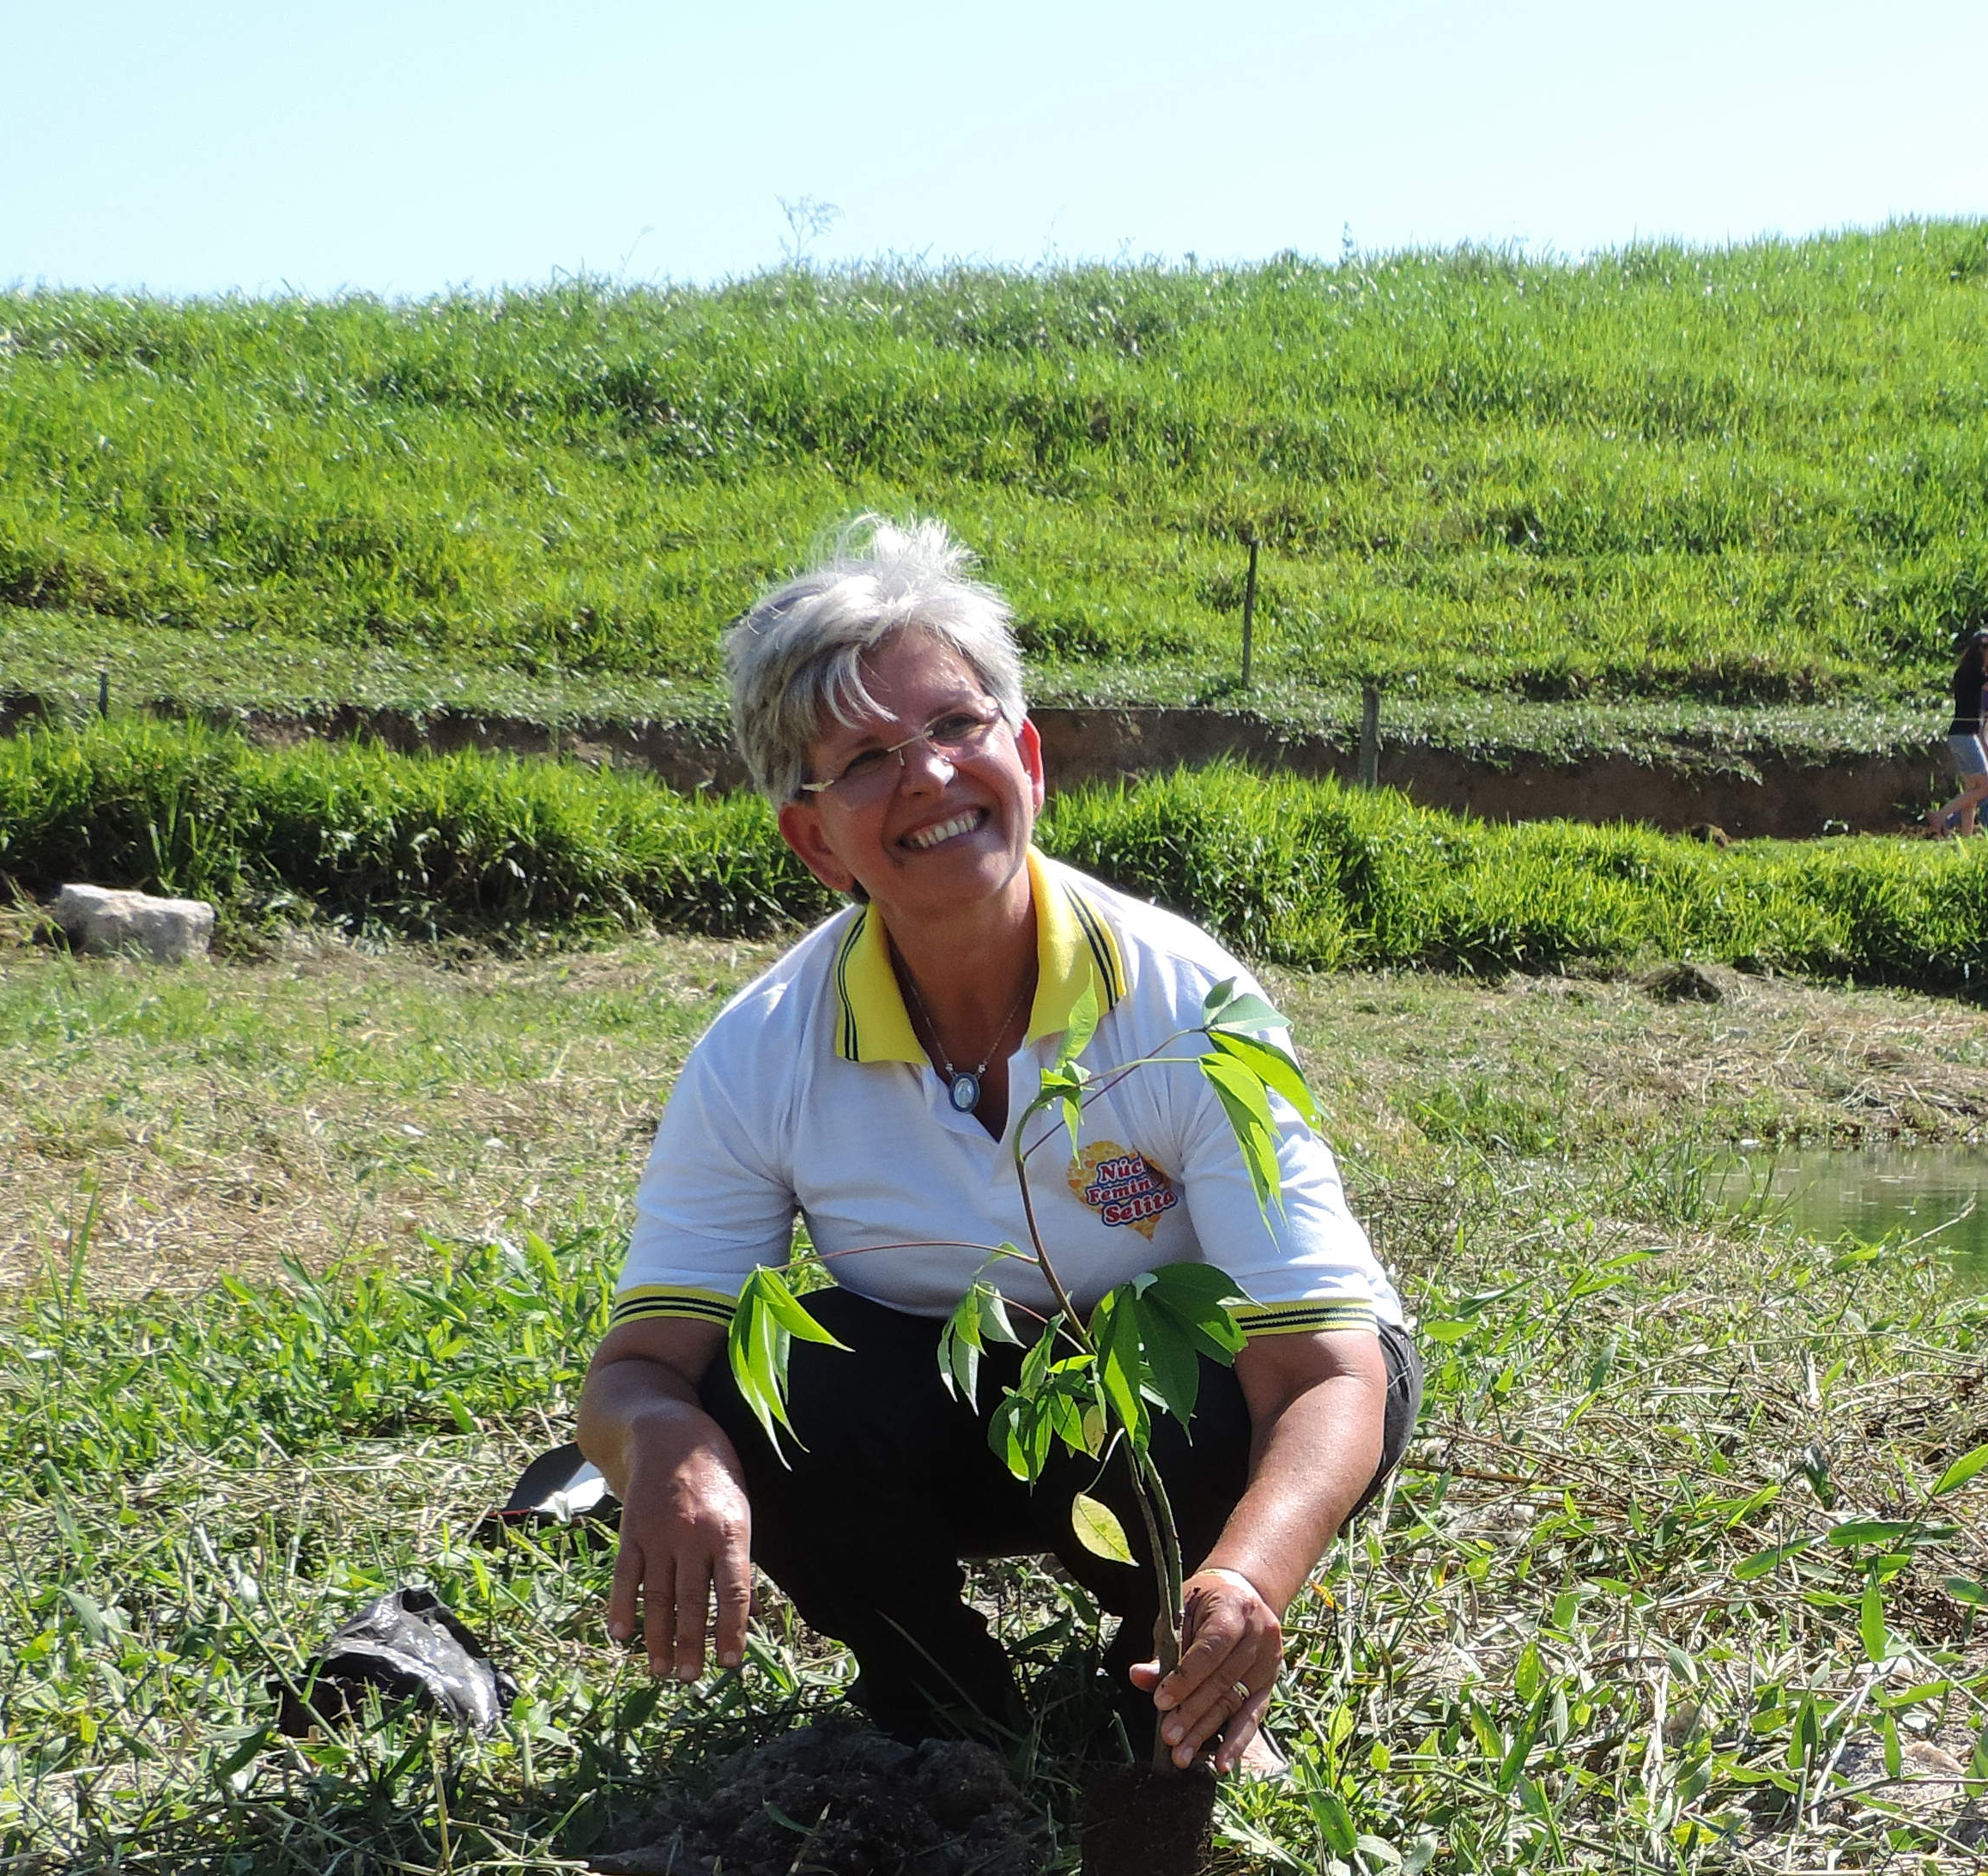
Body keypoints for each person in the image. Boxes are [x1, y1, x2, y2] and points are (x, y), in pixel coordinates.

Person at [577, 517, 1413, 1777]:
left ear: (1025, 757)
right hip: (965, 1413)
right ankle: (943, 1712)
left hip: (1199, 1413)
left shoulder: (1183, 1004)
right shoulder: (760, 1050)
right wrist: (666, 1448)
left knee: (1192, 1390)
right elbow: (643, 1367)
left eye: (957, 725)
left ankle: (1180, 1663)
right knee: (761, 1394)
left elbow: (1324, 1371)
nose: (927, 775)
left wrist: (1249, 1575)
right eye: (864, 760)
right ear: (815, 840)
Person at [1922, 623, 1988, 835]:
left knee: (1971, 792)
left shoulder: (1964, 671)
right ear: (1982, 649)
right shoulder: (1974, 673)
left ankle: (1966, 837)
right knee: (1985, 788)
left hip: (1957, 735)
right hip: (1966, 736)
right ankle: (1941, 816)